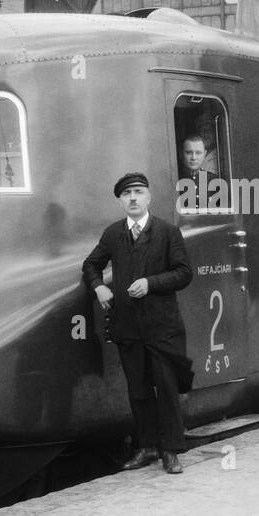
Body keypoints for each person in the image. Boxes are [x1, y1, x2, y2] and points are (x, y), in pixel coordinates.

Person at [83, 172, 194, 473]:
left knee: (167, 388)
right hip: (128, 326)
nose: (133, 198)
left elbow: (184, 273)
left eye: (138, 192)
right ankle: (147, 448)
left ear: (149, 198)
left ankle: (171, 450)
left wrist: (150, 283)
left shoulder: (168, 232)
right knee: (139, 389)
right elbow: (91, 265)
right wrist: (99, 287)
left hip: (163, 327)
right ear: (120, 201)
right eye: (127, 194)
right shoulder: (113, 234)